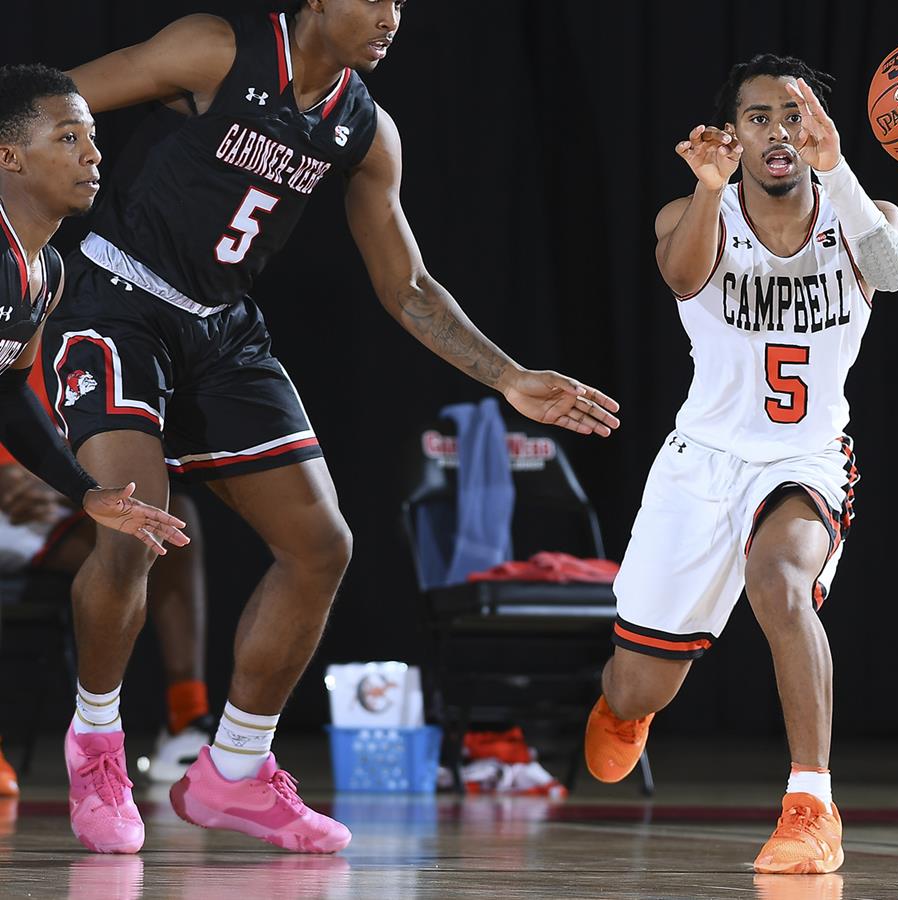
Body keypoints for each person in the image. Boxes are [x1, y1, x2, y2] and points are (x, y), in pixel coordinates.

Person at [53, 0, 619, 855]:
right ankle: (96, 744)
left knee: (322, 545)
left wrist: (509, 376)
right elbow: (53, 105)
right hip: (118, 297)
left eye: (401, 1)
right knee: (133, 528)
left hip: (221, 326)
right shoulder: (215, 49)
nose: (392, 15)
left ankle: (235, 771)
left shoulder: (364, 127)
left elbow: (409, 285)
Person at [583, 54, 898, 876]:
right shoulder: (694, 212)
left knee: (781, 585)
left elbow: (894, 272)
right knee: (634, 693)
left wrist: (842, 175)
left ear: (817, 132)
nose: (778, 132)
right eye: (759, 117)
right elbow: (681, 274)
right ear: (734, 136)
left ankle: (811, 804)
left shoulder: (863, 213)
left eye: (794, 116)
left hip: (803, 456)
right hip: (703, 460)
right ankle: (628, 709)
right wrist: (704, 188)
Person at [0, 381, 213, 792]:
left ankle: (187, 716)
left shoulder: (80, 324)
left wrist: (70, 487)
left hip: (54, 492)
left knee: (165, 522)